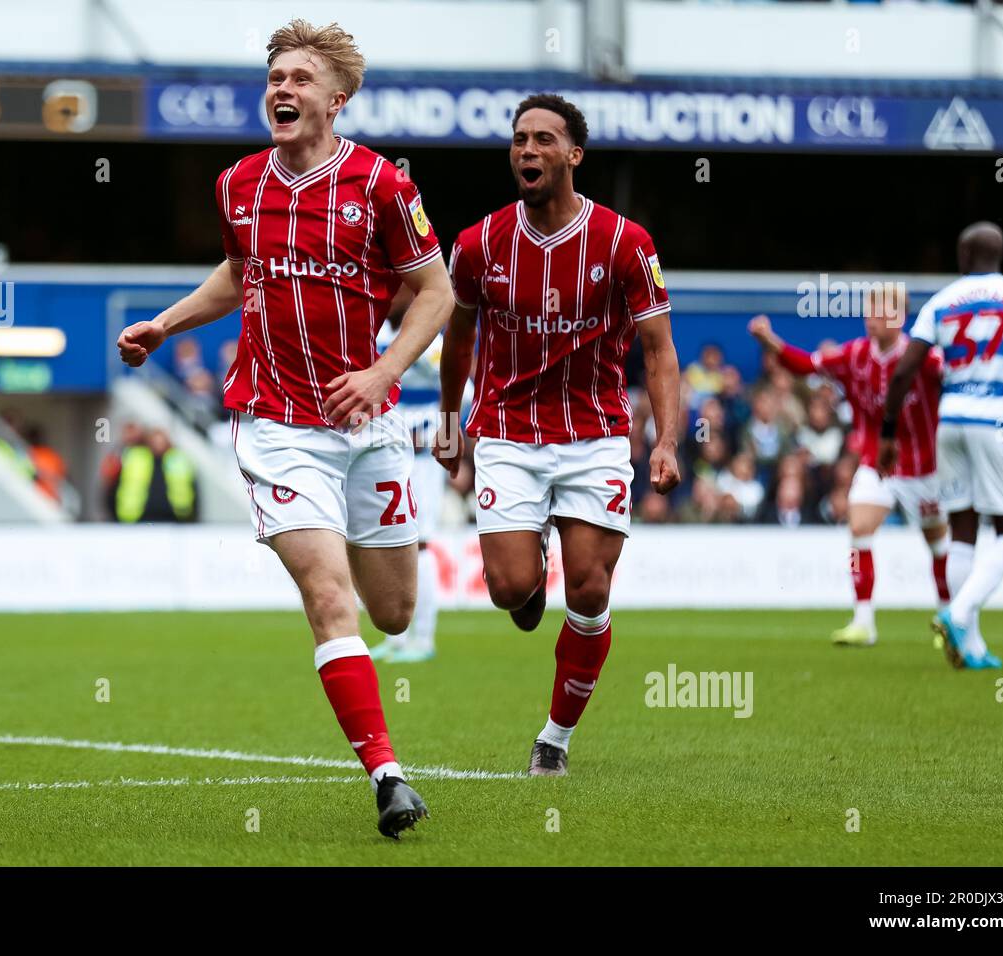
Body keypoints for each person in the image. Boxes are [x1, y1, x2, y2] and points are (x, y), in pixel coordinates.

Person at [115, 19, 452, 838]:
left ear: (336, 99)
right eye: (275, 76)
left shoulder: (381, 187)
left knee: (395, 613)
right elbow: (240, 273)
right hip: (275, 422)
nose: (282, 88)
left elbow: (436, 293)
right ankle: (388, 776)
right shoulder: (237, 184)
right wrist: (168, 323)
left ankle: (385, 742)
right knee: (329, 599)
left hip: (365, 419)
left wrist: (382, 373)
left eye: (300, 78)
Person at [435, 93, 681, 777]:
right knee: (511, 589)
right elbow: (458, 338)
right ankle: (529, 577)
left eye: (544, 139)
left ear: (574, 153)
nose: (527, 151)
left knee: (592, 592)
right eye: (519, 140)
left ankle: (556, 739)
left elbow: (659, 351)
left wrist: (664, 441)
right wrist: (451, 421)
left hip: (595, 435)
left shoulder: (625, 243)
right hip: (509, 434)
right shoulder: (479, 243)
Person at [882, 221, 1003, 669]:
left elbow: (903, 373)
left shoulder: (941, 302)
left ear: (963, 256)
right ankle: (957, 615)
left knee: (963, 531)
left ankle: (971, 647)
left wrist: (886, 435)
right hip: (997, 421)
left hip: (950, 423)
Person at [749, 291, 948, 647]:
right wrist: (770, 341)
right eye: (869, 309)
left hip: (924, 467)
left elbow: (955, 379)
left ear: (900, 318)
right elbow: (805, 365)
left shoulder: (926, 358)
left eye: (881, 311)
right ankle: (863, 621)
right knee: (858, 530)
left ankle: (949, 620)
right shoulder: (854, 355)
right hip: (877, 465)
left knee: (937, 545)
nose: (872, 317)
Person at [369, 294, 447, 663]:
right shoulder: (381, 333)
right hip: (387, 451)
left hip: (423, 456)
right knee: (385, 542)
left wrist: (442, 436)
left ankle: (424, 639)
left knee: (422, 542)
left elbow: (457, 388)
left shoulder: (429, 339)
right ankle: (397, 640)